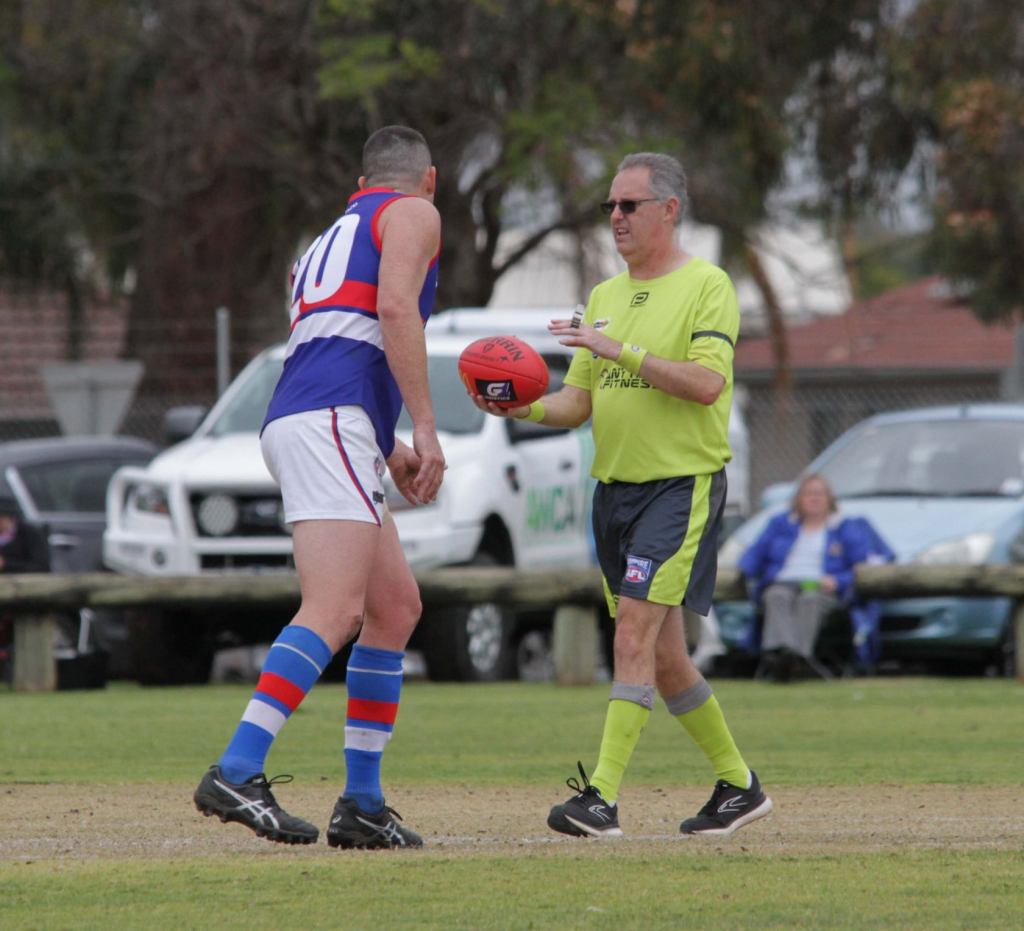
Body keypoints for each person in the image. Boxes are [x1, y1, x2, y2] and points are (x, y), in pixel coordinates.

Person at [473, 152, 772, 838]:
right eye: (609, 206)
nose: (615, 217)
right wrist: (514, 408)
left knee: (631, 633)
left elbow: (705, 384)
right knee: (664, 658)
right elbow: (576, 404)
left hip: (679, 485)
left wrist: (620, 353)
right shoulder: (605, 298)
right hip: (614, 493)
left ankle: (600, 797)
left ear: (670, 209)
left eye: (629, 205)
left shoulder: (708, 285)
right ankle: (739, 784)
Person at [193, 125, 445, 849]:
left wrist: (387, 444)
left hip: (316, 419)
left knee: (394, 607)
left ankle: (361, 802)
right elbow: (396, 310)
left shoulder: (330, 237)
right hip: (329, 423)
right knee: (334, 609)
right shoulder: (416, 213)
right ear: (426, 178)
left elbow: (333, 346)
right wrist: (426, 426)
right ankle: (238, 767)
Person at [738, 473, 895, 680]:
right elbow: (752, 556)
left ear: (830, 499)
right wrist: (745, 575)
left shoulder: (844, 527)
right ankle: (779, 655)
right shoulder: (780, 524)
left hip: (819, 585)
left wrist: (838, 581)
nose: (814, 498)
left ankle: (796, 658)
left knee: (809, 599)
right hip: (784, 582)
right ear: (798, 499)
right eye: (808, 494)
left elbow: (862, 566)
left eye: (819, 494)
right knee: (776, 595)